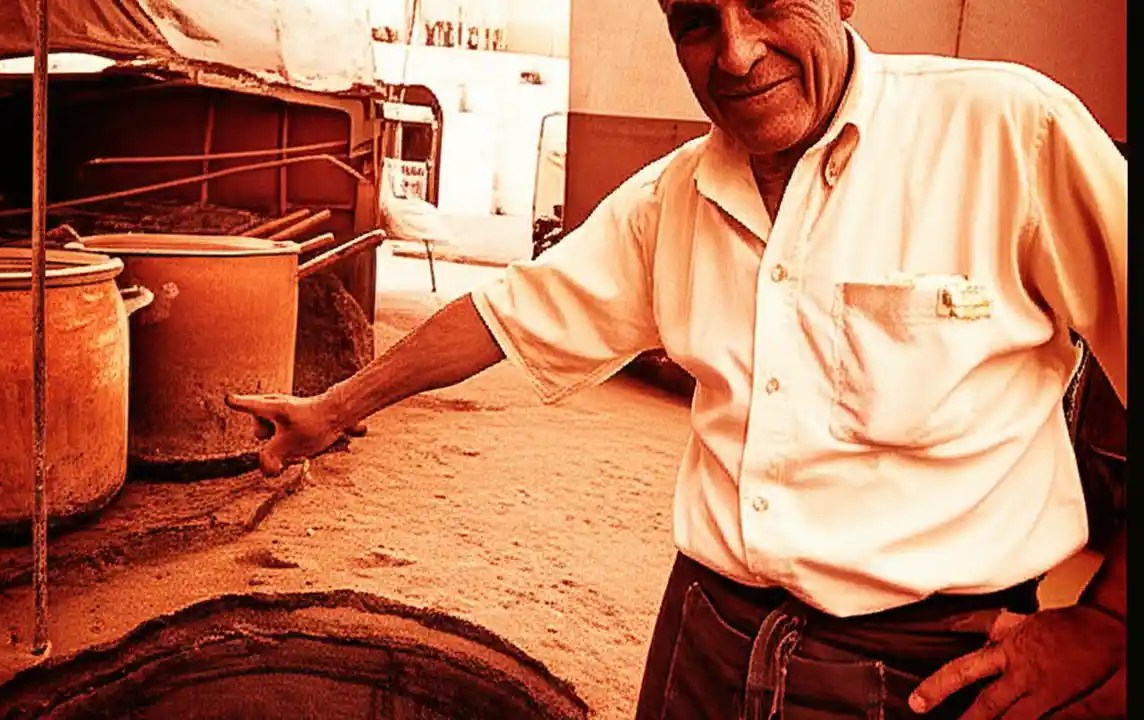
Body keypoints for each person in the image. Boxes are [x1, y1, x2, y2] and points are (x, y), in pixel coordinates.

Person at [226, 0, 1126, 717]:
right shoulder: (672, 199)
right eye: (695, 20)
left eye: (769, 2)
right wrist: (335, 410)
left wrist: (1111, 621)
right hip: (702, 641)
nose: (734, 54)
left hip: (925, 669)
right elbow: (505, 315)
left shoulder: (1011, 131)